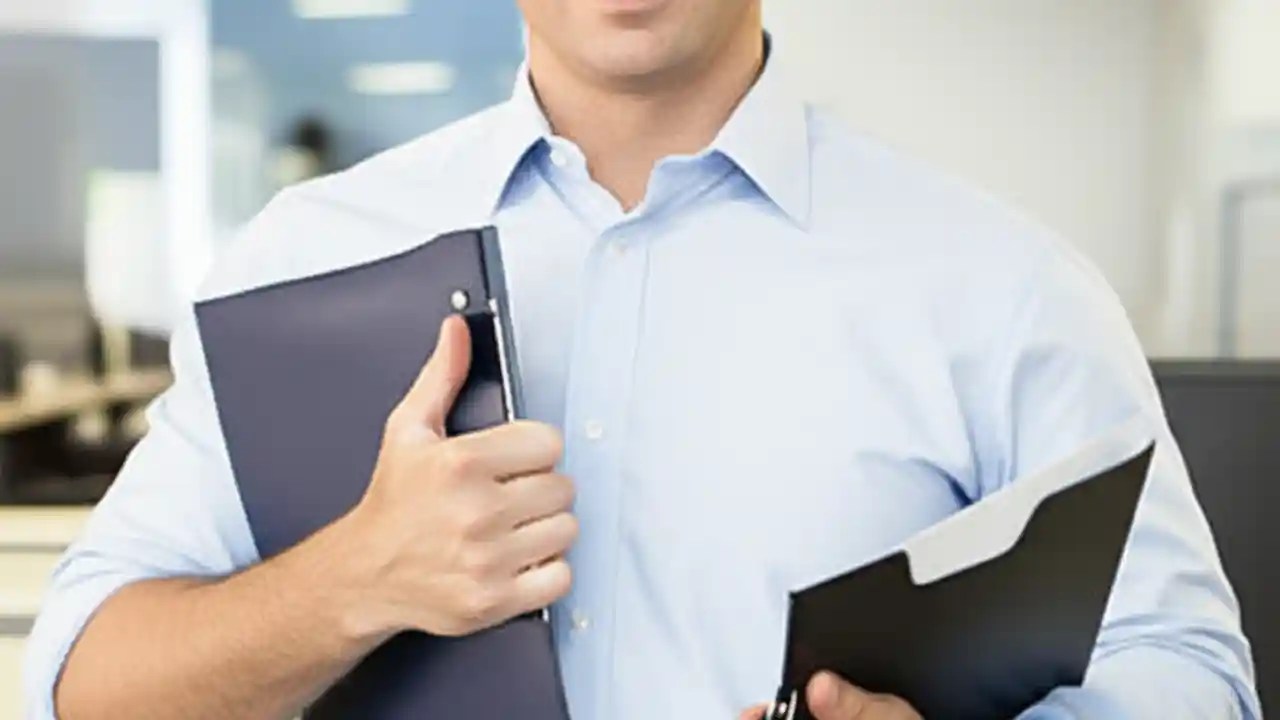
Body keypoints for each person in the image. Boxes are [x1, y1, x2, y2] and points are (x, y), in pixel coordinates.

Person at [25, 1, 1260, 718]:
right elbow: (84, 683)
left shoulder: (1002, 286)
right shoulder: (300, 262)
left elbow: (1191, 673)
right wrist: (354, 580)